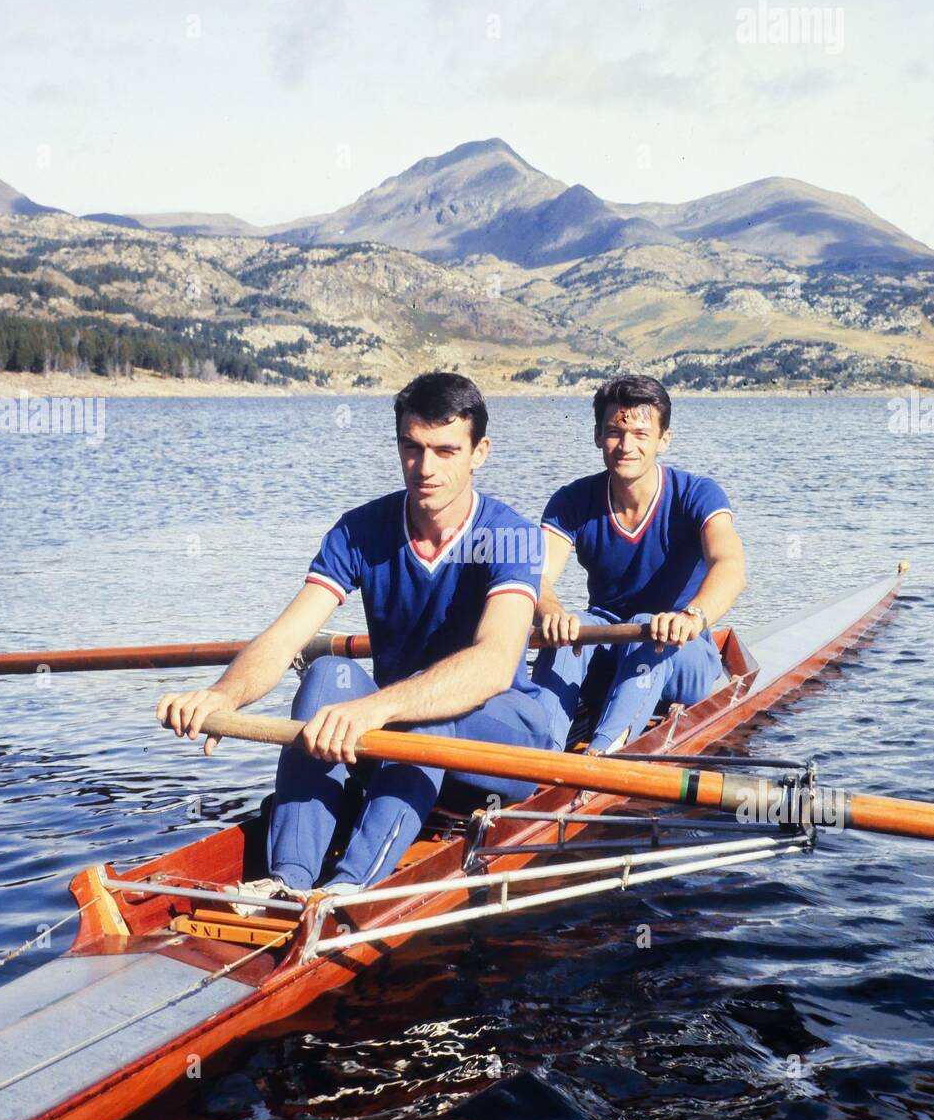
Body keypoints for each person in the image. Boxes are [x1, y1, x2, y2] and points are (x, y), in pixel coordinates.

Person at [157, 371, 558, 903]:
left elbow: (493, 661)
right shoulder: (360, 530)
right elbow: (287, 636)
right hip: (393, 733)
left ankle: (349, 890)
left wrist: (376, 709)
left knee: (425, 714)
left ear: (479, 452)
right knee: (328, 672)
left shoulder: (511, 535)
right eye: (412, 448)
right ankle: (288, 881)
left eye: (445, 451)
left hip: (503, 740)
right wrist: (224, 695)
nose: (426, 468)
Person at [532, 374, 746, 752]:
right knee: (571, 630)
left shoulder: (697, 494)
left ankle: (603, 755)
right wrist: (551, 613)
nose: (625, 446)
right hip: (608, 650)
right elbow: (537, 576)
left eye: (641, 435)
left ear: (664, 439)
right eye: (615, 432)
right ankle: (538, 757)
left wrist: (692, 616)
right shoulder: (572, 501)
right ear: (598, 436)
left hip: (684, 651)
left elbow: (730, 565)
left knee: (649, 626)